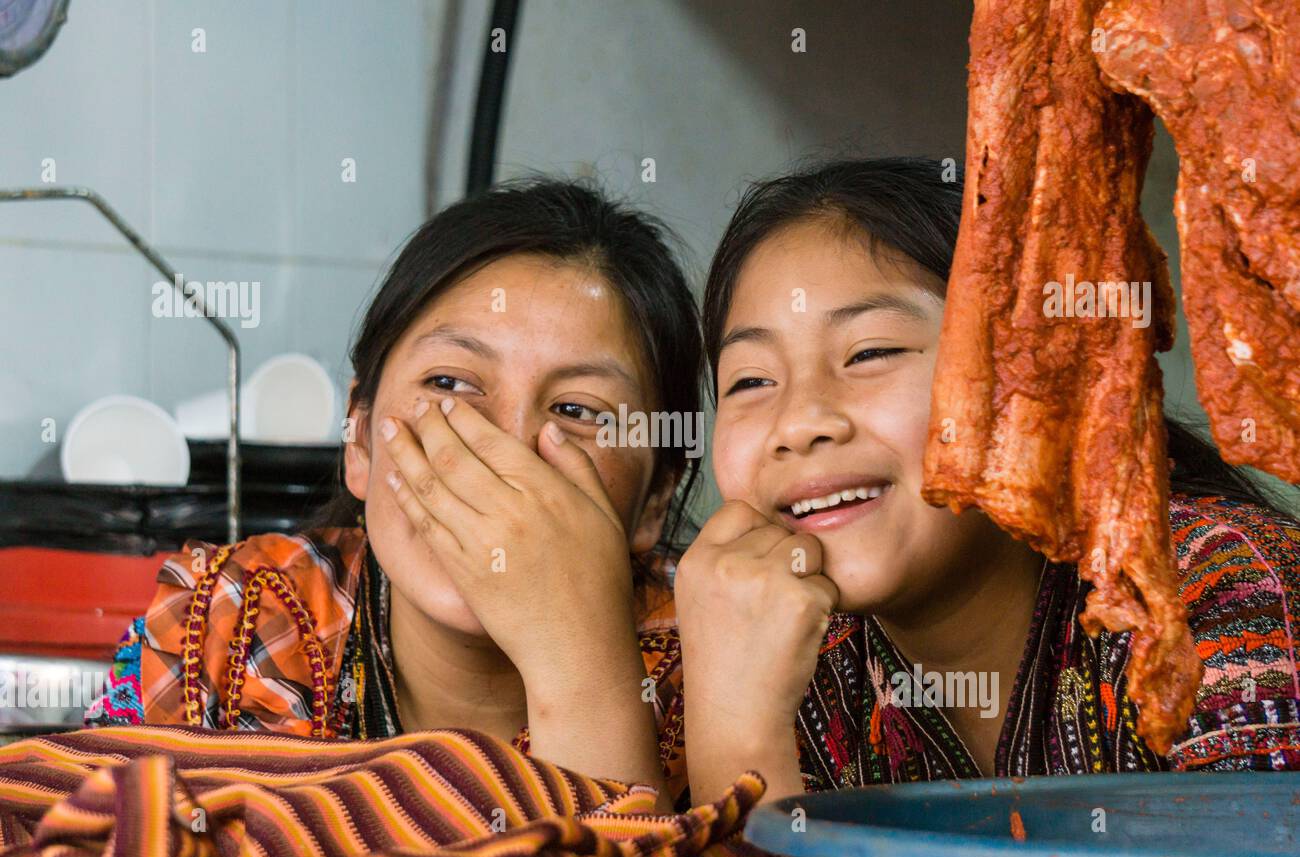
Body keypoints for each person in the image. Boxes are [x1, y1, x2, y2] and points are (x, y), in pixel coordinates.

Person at [677, 157, 1300, 805]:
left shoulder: (1207, 588)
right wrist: (734, 712)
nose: (798, 423)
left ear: (1022, 386)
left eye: (870, 353)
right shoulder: (789, 659)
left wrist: (739, 748)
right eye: (751, 381)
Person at [86, 178, 702, 811]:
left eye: (577, 408)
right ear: (359, 440)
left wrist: (578, 663)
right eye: (451, 384)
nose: (502, 455)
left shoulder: (723, 671)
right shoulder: (225, 622)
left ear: (655, 499)